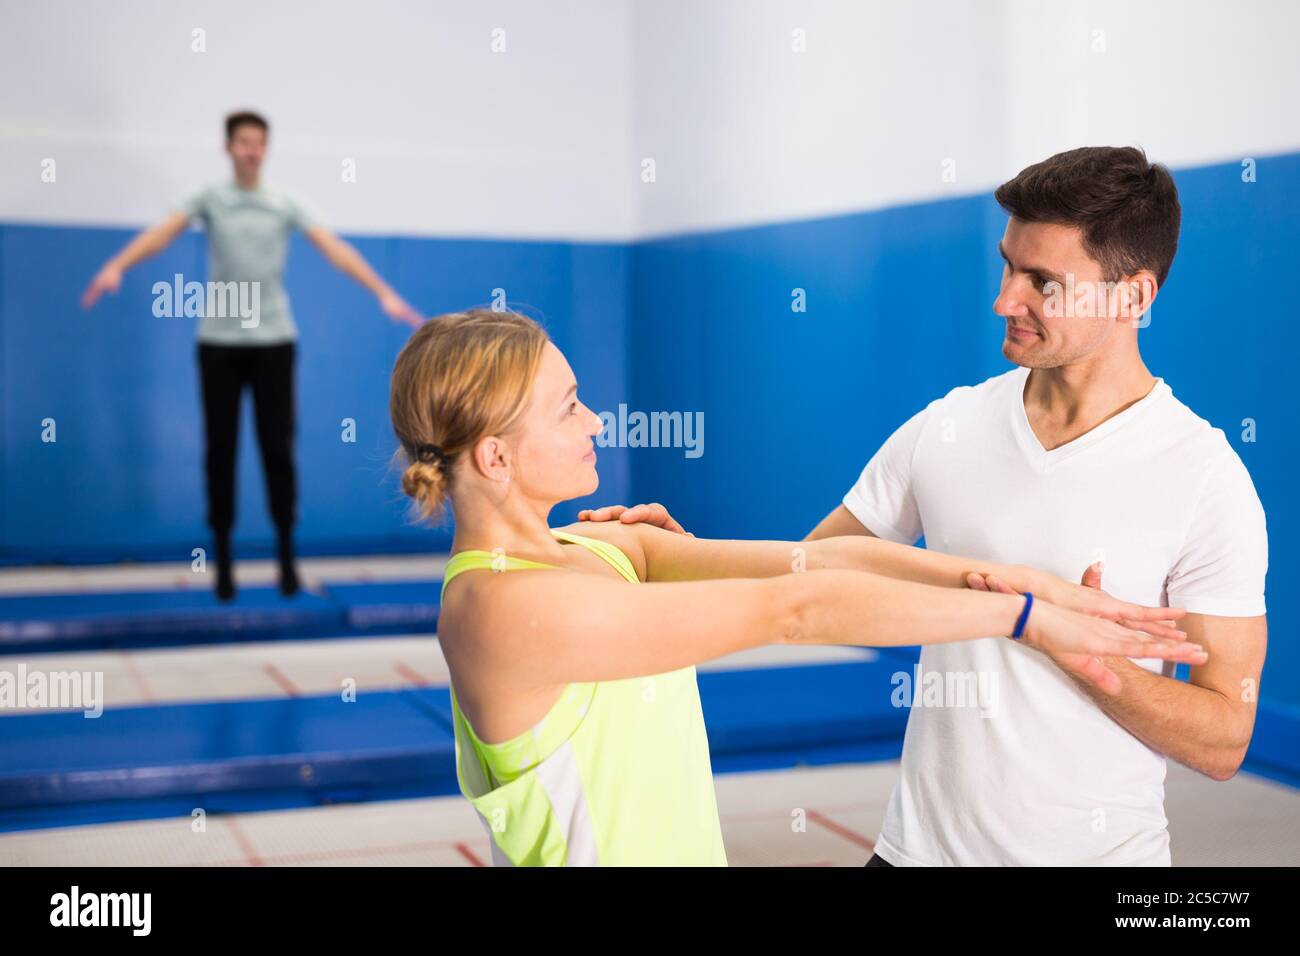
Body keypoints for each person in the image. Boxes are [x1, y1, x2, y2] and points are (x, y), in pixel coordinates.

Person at [580, 146, 1269, 866]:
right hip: (914, 854)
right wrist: (679, 553)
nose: (1006, 300)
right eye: (1007, 265)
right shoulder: (947, 426)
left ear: (1133, 298)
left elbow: (1224, 738)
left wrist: (1085, 658)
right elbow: (804, 582)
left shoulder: (1204, 477)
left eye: (1043, 283)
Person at [388, 307, 1203, 867]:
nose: (597, 421)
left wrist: (1031, 586)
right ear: (495, 457)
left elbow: (816, 564)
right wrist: (1024, 620)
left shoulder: (598, 547)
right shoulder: (500, 609)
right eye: (568, 409)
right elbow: (799, 608)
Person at [81, 110, 423, 601]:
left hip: (273, 342)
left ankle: (285, 557)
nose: (251, 150)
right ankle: (222, 562)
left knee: (276, 450)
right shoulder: (211, 198)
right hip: (219, 343)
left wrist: (381, 292)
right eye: (243, 141)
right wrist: (117, 264)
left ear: (266, 149)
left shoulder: (281, 203)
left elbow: (335, 249)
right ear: (229, 147)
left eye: (259, 142)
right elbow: (164, 231)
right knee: (221, 450)